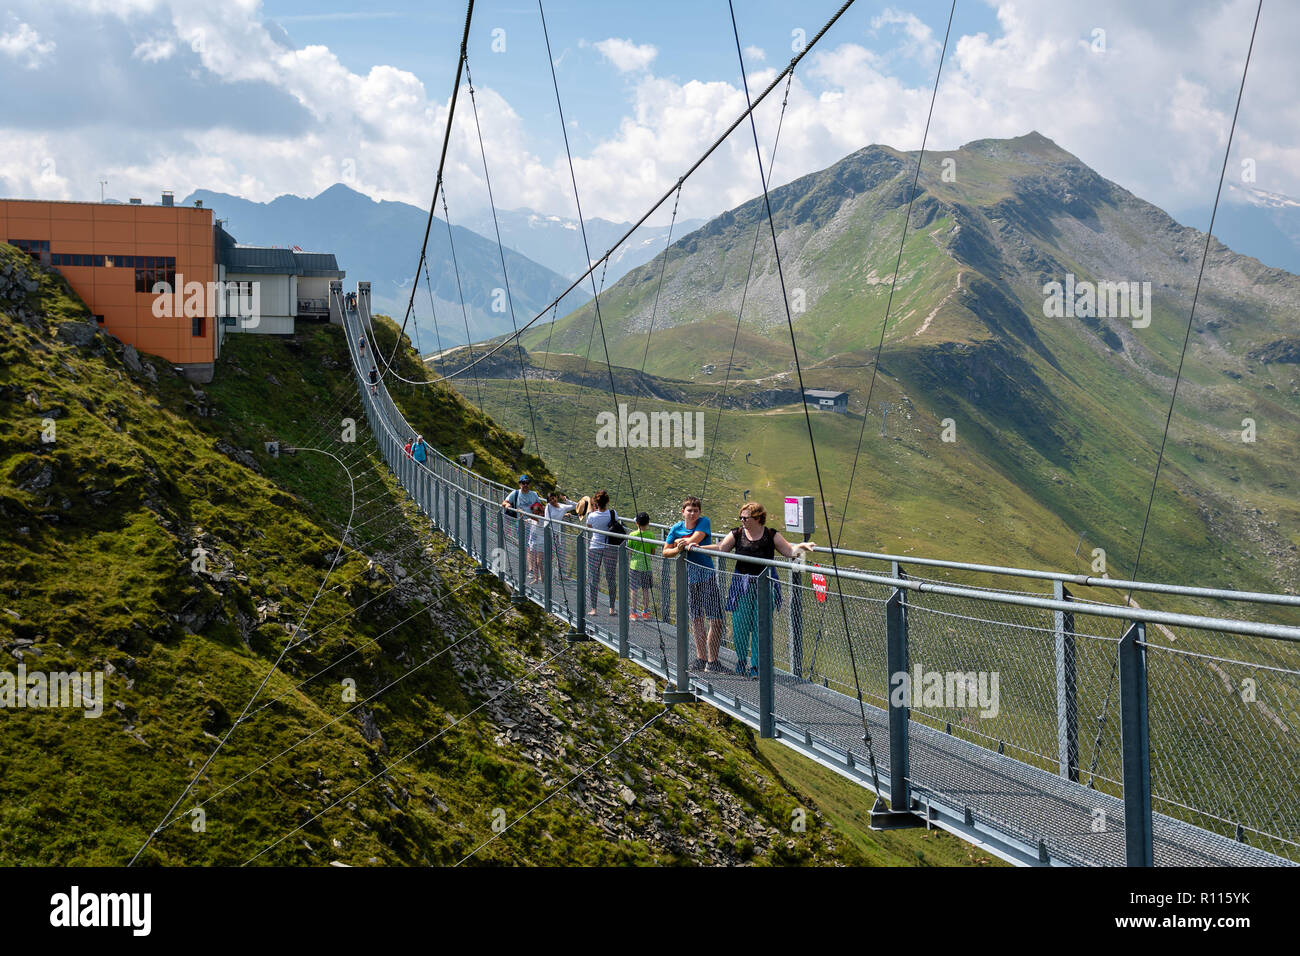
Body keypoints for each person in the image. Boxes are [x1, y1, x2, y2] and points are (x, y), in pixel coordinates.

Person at [695, 501, 815, 678]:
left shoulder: (770, 534)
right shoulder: (737, 533)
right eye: (741, 517)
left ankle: (757, 666)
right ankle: (742, 661)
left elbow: (789, 551)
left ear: (758, 518)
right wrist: (698, 548)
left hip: (765, 586)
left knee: (761, 626)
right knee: (740, 625)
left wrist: (803, 546)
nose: (742, 520)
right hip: (741, 586)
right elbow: (721, 548)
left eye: (746, 517)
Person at [662, 497, 725, 671]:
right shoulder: (676, 528)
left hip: (707, 576)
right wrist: (677, 548)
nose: (693, 513)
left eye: (696, 510)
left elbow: (696, 539)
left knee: (715, 619)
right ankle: (701, 658)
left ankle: (713, 660)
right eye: (689, 510)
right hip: (690, 578)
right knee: (696, 619)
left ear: (700, 512)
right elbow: (666, 552)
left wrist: (679, 542)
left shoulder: (704, 522)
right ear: (683, 511)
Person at [584, 490, 621, 617]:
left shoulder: (592, 516)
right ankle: (611, 608)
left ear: (595, 502)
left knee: (594, 578)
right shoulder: (612, 513)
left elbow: (589, 526)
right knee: (611, 578)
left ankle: (594, 608)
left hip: (595, 546)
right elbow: (617, 523)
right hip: (610, 548)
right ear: (607, 501)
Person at [627, 512, 657, 620]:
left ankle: (633, 612)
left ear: (636, 523)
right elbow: (653, 552)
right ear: (648, 523)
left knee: (634, 589)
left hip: (634, 565)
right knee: (645, 589)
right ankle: (645, 612)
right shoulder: (651, 535)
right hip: (647, 566)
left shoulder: (632, 535)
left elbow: (629, 550)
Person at [545, 491, 577, 579]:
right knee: (550, 554)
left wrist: (566, 500)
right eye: (550, 499)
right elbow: (547, 520)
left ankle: (559, 573)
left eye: (553, 498)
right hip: (549, 533)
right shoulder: (548, 507)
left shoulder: (562, 506)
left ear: (556, 497)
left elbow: (576, 506)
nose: (553, 500)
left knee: (560, 553)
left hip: (557, 534)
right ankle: (549, 572)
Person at [526, 501, 546, 583]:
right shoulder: (533, 519)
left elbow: (533, 518)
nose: (534, 514)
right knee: (534, 560)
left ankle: (542, 576)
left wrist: (521, 512)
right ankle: (536, 578)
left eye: (536, 512)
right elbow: (529, 520)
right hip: (533, 542)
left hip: (540, 543)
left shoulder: (541, 519)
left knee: (539, 561)